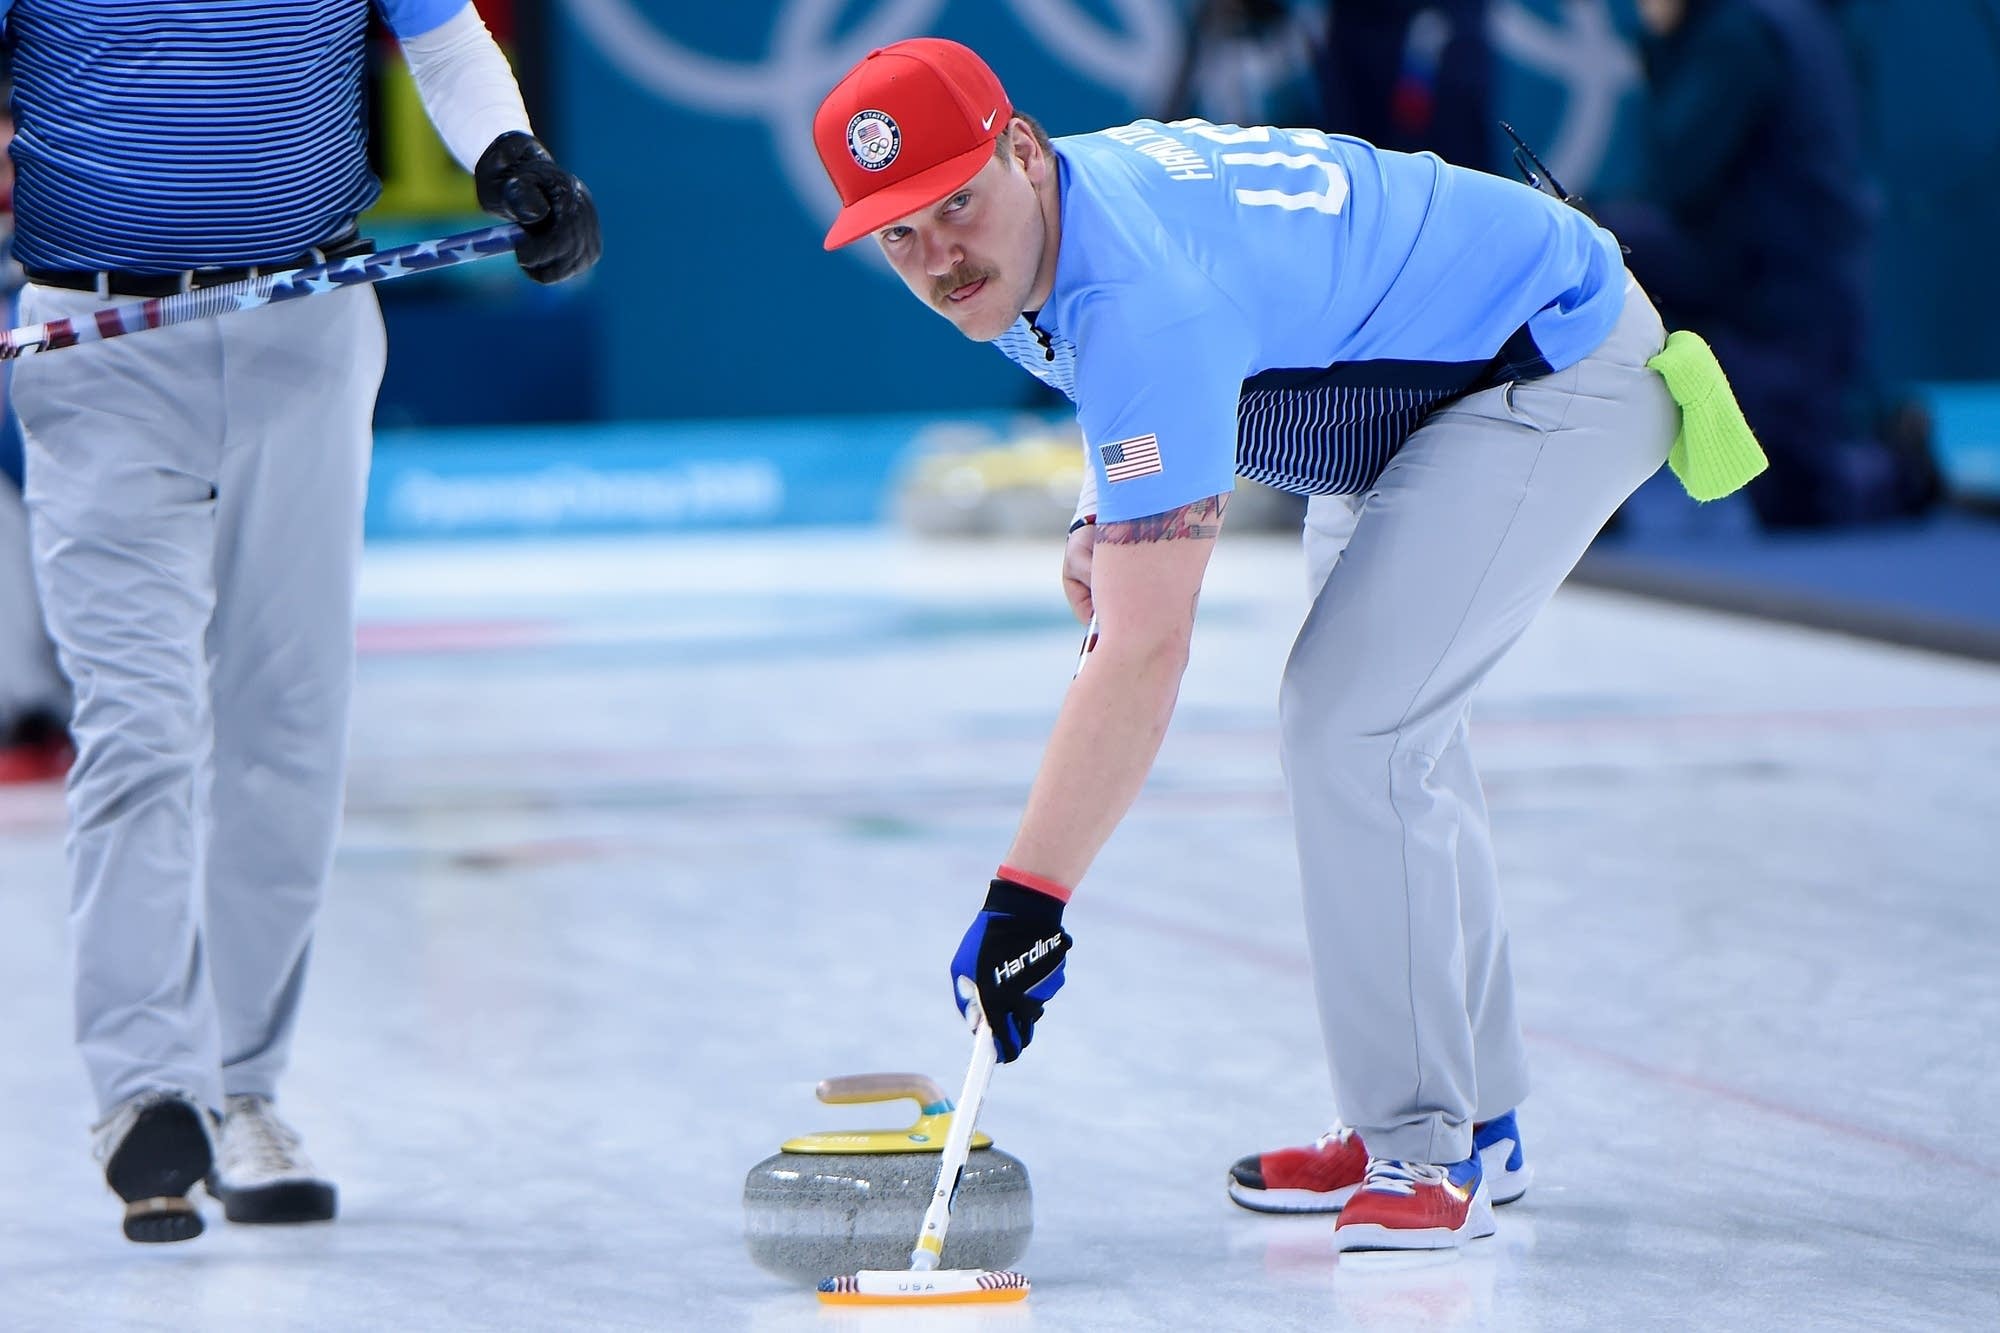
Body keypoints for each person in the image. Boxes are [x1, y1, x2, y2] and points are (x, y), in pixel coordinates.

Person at [812, 37, 1705, 1253]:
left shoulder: (1132, 291)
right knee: (1393, 739)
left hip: (1549, 368)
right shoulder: (1049, 230)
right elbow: (1126, 373)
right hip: (1414, 396)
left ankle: (1422, 1149)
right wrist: (1102, 507)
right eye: (897, 233)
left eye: (954, 203)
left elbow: (1142, 649)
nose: (936, 257)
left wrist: (1028, 898)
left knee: (1350, 726)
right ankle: (1468, 1121)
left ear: (1022, 148)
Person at [2, 0, 599, 1243]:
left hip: (308, 323)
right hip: (97, 344)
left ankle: (243, 1090)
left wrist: (511, 158)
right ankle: (139, 1096)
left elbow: (439, 35)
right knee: (141, 720)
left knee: (288, 717)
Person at [1597, 0, 1941, 528]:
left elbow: (1674, 171)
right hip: (1798, 297)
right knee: (1804, 499)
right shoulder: (1789, 21)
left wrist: (1661, 40)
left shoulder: (1739, 35)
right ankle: (1895, 464)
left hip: (1768, 308)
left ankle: (1900, 467)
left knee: (1592, 249)